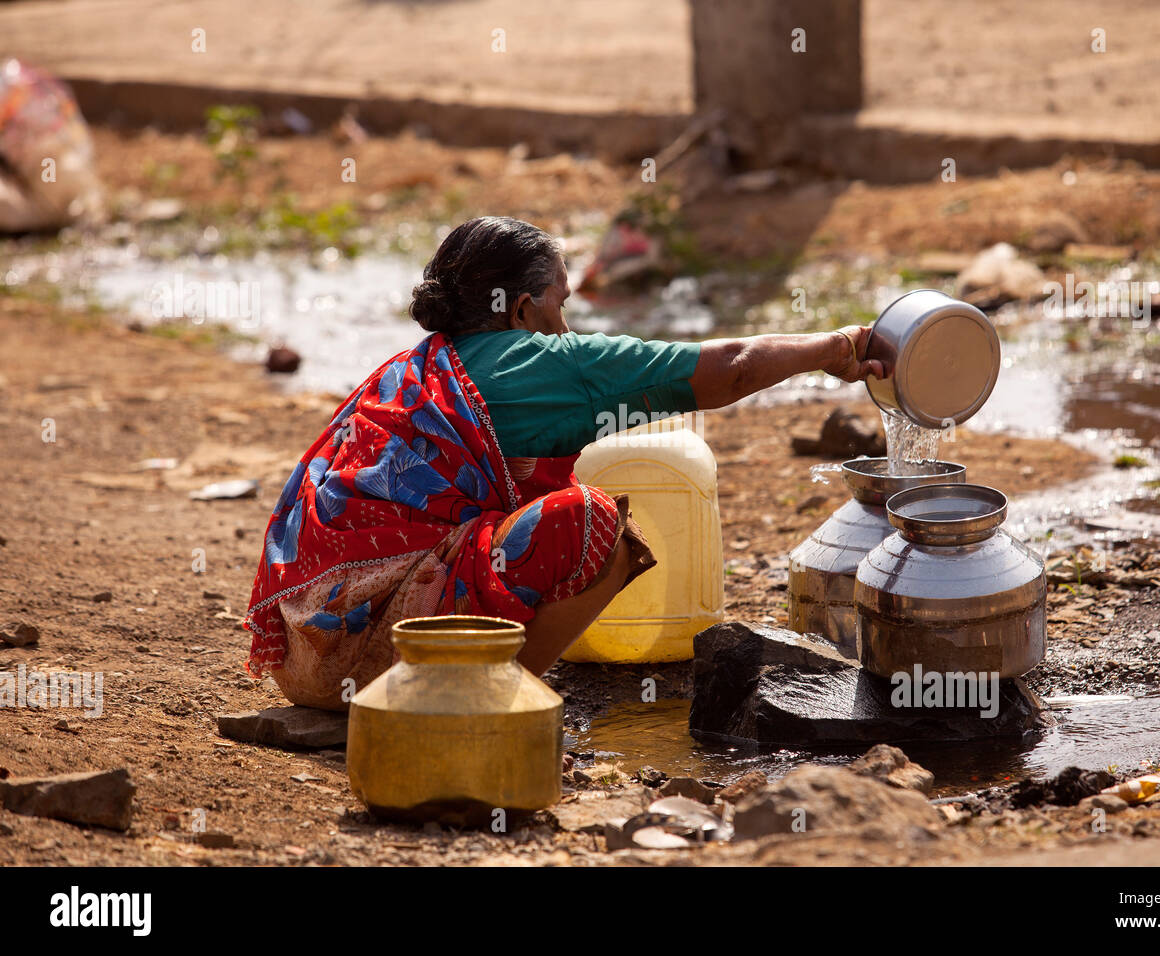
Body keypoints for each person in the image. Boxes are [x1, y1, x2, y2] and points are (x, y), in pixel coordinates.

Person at [243, 216, 887, 710]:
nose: (564, 320)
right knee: (595, 526)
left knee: (546, 497)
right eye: (559, 301)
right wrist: (834, 348)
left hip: (303, 650)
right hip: (372, 649)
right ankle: (483, 710)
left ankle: (465, 693)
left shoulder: (421, 370)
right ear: (521, 309)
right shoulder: (535, 362)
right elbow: (729, 369)